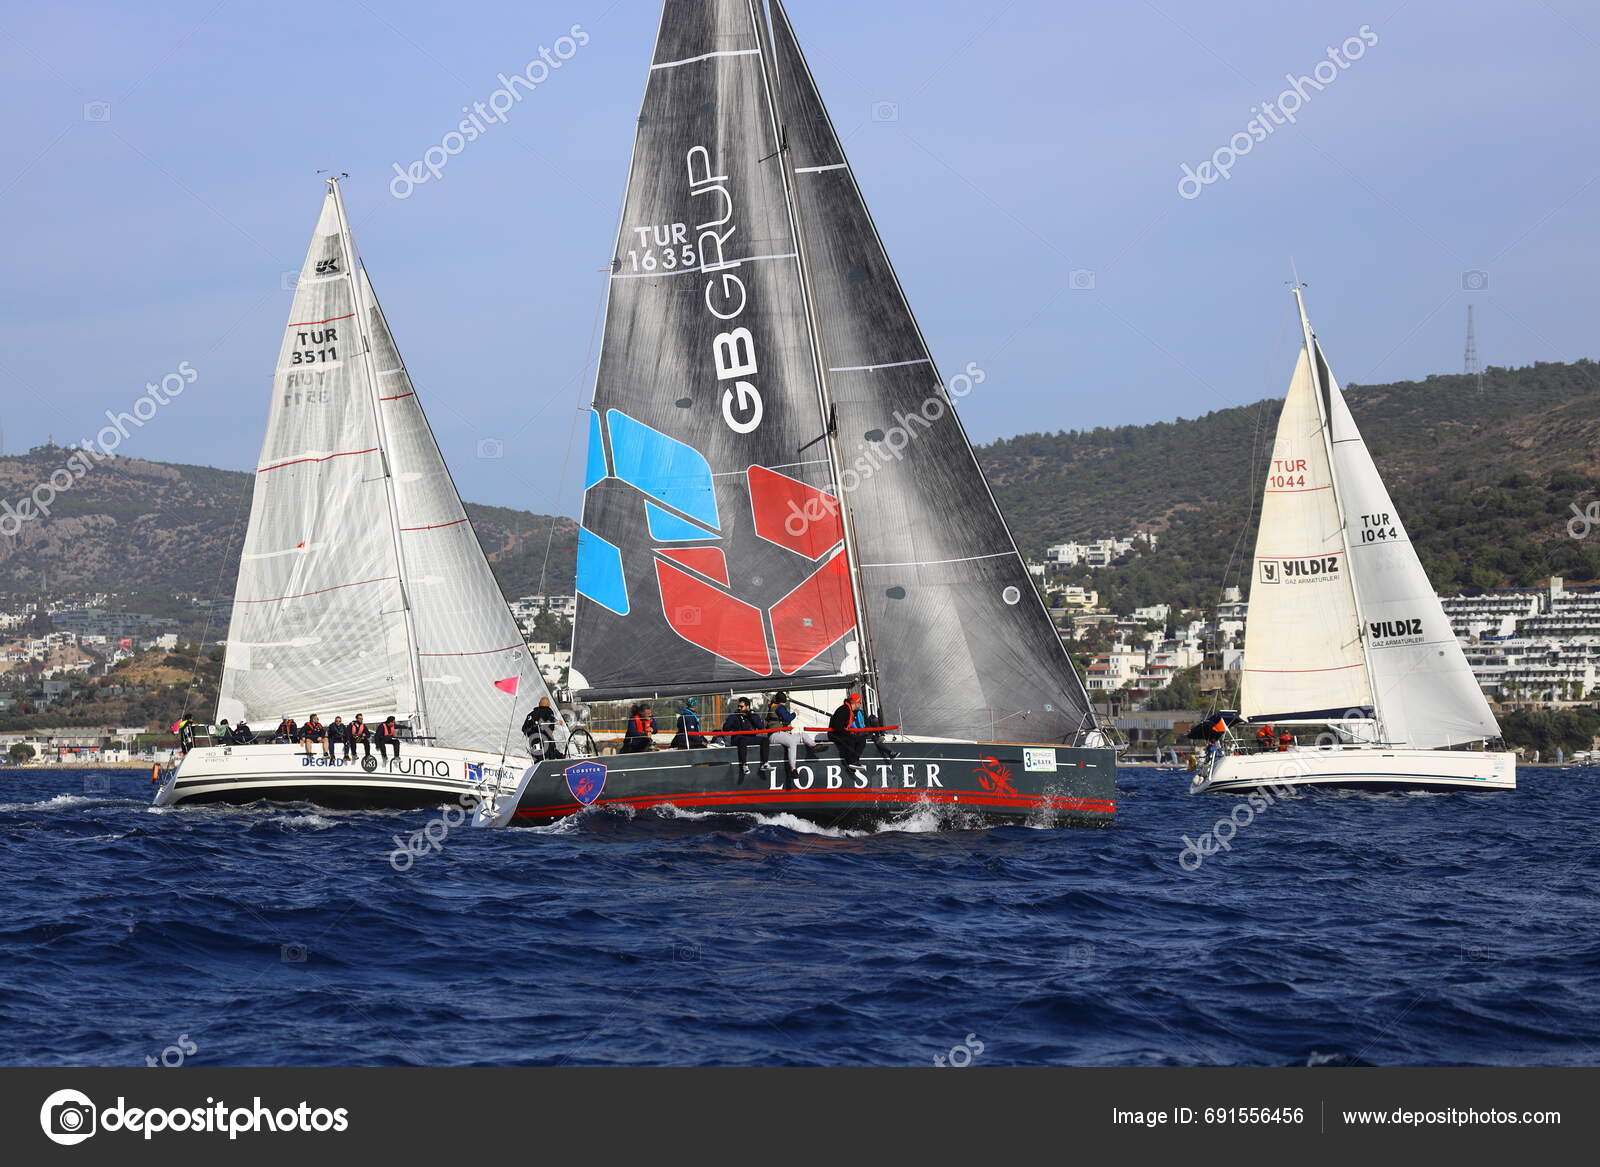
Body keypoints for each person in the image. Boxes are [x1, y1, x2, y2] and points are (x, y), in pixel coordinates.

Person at [767, 692, 822, 782]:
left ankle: (813, 746)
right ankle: (793, 769)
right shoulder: (779, 707)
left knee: (802, 735)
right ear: (784, 701)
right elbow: (788, 718)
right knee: (792, 741)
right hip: (774, 735)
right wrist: (795, 713)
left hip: (781, 734)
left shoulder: (775, 706)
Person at [720, 696, 771, 778]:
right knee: (742, 740)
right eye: (738, 706)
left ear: (747, 707)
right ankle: (744, 765)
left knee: (765, 740)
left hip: (750, 738)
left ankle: (765, 763)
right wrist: (732, 719)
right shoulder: (734, 716)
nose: (739, 708)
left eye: (741, 706)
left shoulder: (752, 715)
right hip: (738, 739)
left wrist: (750, 715)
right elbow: (725, 728)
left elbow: (760, 726)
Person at [828, 693, 868, 779]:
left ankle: (854, 760)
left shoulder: (850, 710)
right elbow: (837, 726)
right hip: (834, 734)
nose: (860, 704)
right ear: (855, 703)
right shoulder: (844, 710)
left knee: (861, 739)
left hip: (840, 732)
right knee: (851, 739)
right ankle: (850, 761)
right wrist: (848, 734)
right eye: (860, 702)